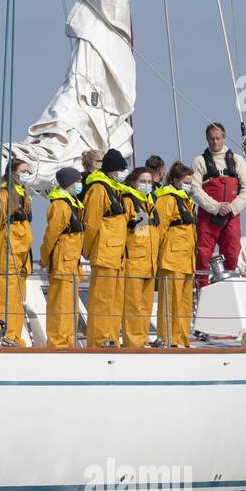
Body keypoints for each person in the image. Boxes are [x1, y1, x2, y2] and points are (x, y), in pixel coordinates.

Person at [191, 123, 246, 286]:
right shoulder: (199, 161)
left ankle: (229, 287)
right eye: (211, 139)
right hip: (208, 217)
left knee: (232, 253)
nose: (215, 142)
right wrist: (216, 207)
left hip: (231, 216)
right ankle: (201, 290)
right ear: (207, 140)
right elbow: (195, 190)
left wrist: (232, 208)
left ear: (224, 138)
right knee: (203, 255)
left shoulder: (237, 160)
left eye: (218, 138)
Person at [0, 159, 34, 343]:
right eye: (23, 170)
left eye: (28, 171)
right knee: (4, 294)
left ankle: (14, 334)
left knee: (19, 296)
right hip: (5, 251)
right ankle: (2, 334)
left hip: (21, 253)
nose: (27, 174)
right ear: (12, 173)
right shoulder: (2, 196)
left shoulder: (23, 195)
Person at [81, 149, 130, 346]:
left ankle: (111, 336)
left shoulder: (115, 189)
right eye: (120, 169)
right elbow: (91, 223)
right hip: (104, 252)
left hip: (117, 254)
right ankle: (99, 340)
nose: (123, 173)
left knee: (115, 300)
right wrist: (87, 249)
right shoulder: (98, 190)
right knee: (101, 299)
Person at [40, 167, 85, 348]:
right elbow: (51, 234)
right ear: (69, 183)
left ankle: (68, 339)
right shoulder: (60, 205)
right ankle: (58, 342)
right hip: (62, 261)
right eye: (78, 181)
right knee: (59, 304)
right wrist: (44, 257)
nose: (80, 184)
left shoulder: (71, 202)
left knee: (69, 304)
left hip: (71, 261)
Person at [154, 162, 197, 347]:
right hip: (171, 260)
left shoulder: (187, 201)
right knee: (170, 302)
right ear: (175, 181)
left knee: (185, 303)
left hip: (186, 260)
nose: (189, 185)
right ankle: (168, 337)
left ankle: (182, 337)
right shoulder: (167, 200)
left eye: (191, 182)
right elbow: (159, 230)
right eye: (186, 182)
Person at [120, 166, 161, 348]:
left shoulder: (149, 203)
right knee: (133, 306)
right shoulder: (128, 201)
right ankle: (133, 342)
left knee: (145, 306)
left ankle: (142, 339)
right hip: (134, 262)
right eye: (143, 182)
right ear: (134, 182)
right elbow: (123, 230)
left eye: (149, 182)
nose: (147, 185)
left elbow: (145, 232)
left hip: (149, 262)